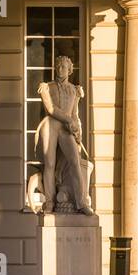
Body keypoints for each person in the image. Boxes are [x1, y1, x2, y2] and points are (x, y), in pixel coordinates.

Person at [36, 55, 93, 214]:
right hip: (51, 125)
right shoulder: (47, 87)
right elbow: (51, 109)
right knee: (50, 163)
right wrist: (69, 120)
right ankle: (49, 202)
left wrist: (77, 131)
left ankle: (81, 202)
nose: (60, 69)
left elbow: (74, 114)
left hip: (67, 128)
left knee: (75, 162)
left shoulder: (75, 90)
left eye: (63, 67)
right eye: (58, 66)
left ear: (70, 70)